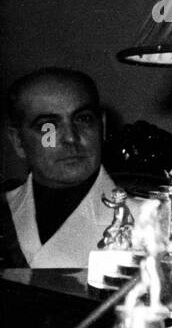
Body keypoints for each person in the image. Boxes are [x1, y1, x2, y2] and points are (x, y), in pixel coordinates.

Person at [2, 67, 128, 269]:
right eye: (48, 127)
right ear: (18, 141)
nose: (71, 138)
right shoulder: (5, 210)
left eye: (83, 119)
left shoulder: (147, 221)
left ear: (102, 126)